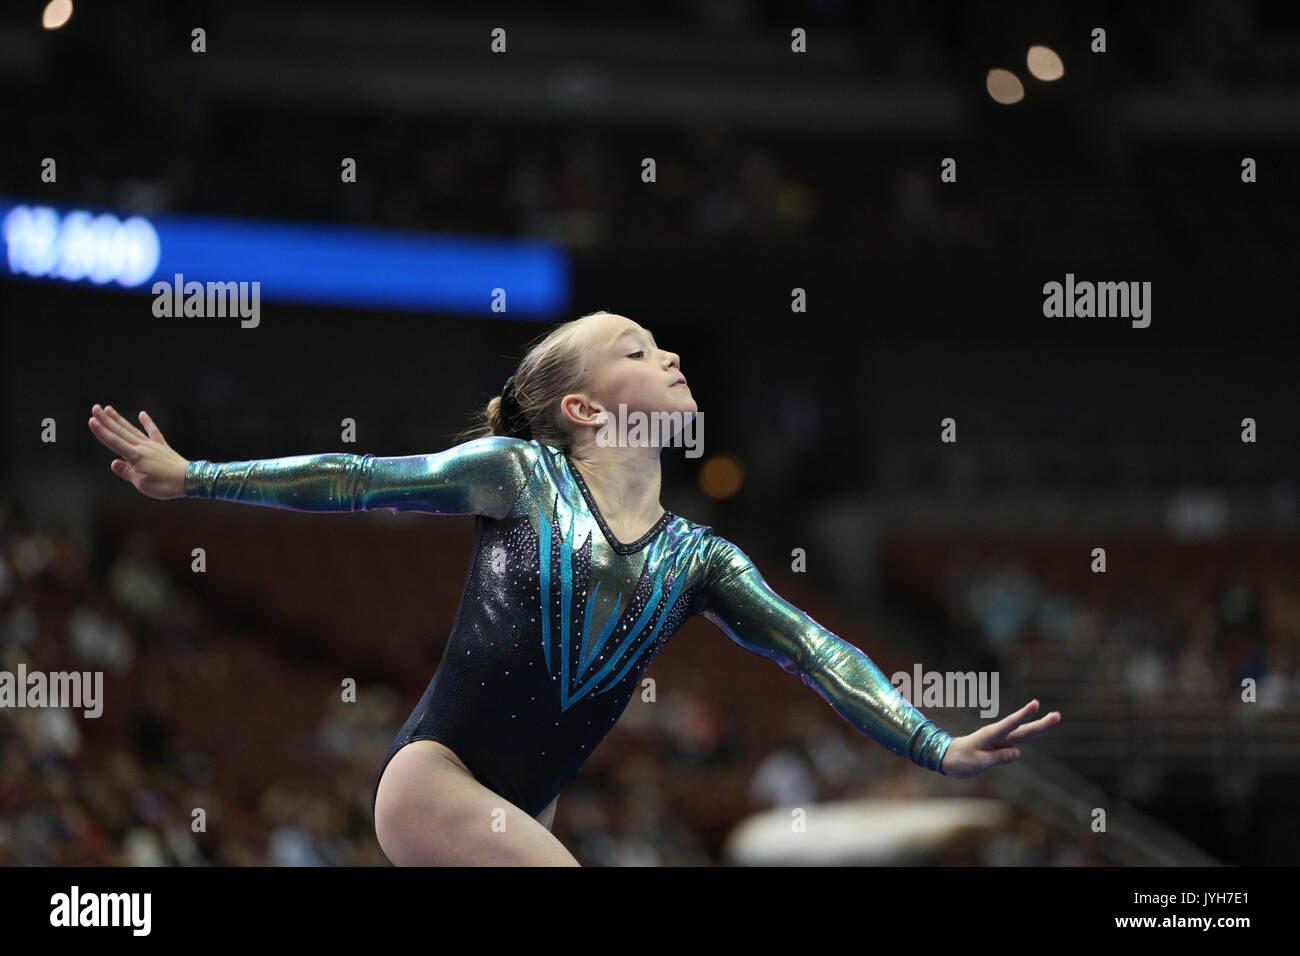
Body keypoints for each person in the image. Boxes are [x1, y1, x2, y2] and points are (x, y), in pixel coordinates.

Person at [87, 309, 1061, 866]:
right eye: (637, 348)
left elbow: (814, 647)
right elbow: (357, 476)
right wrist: (196, 475)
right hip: (437, 780)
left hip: (527, 806)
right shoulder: (519, 472)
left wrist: (931, 740)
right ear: (585, 407)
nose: (671, 353)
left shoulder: (699, 558)